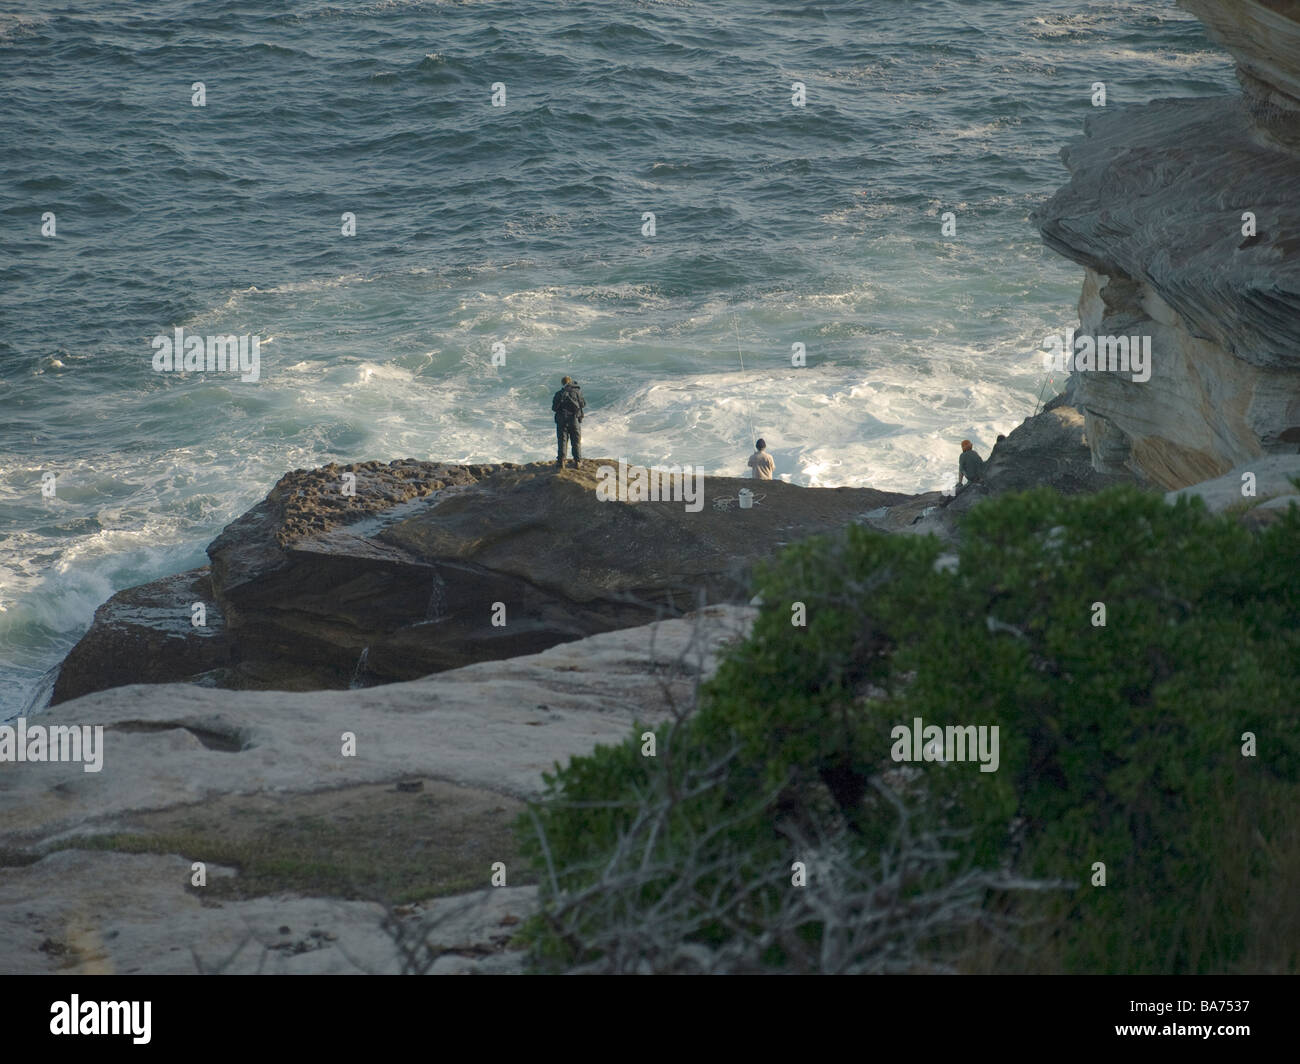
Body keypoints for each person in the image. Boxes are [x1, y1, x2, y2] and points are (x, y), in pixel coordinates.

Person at [551, 375, 586, 468]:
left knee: (562, 440)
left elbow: (554, 408)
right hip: (574, 420)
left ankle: (561, 461)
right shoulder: (577, 392)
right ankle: (578, 461)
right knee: (576, 441)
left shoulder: (558, 394)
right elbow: (583, 404)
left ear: (562, 383)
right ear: (570, 382)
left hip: (561, 420)